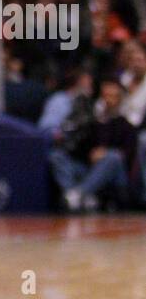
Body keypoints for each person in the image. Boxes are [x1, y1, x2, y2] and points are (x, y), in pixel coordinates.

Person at [48, 78, 137, 212]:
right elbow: (79, 150)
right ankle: (79, 197)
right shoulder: (92, 121)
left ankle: (77, 195)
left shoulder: (126, 125)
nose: (109, 100)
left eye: (113, 97)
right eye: (105, 96)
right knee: (56, 156)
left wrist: (105, 153)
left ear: (120, 99)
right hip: (90, 169)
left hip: (114, 174)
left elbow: (127, 155)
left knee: (113, 158)